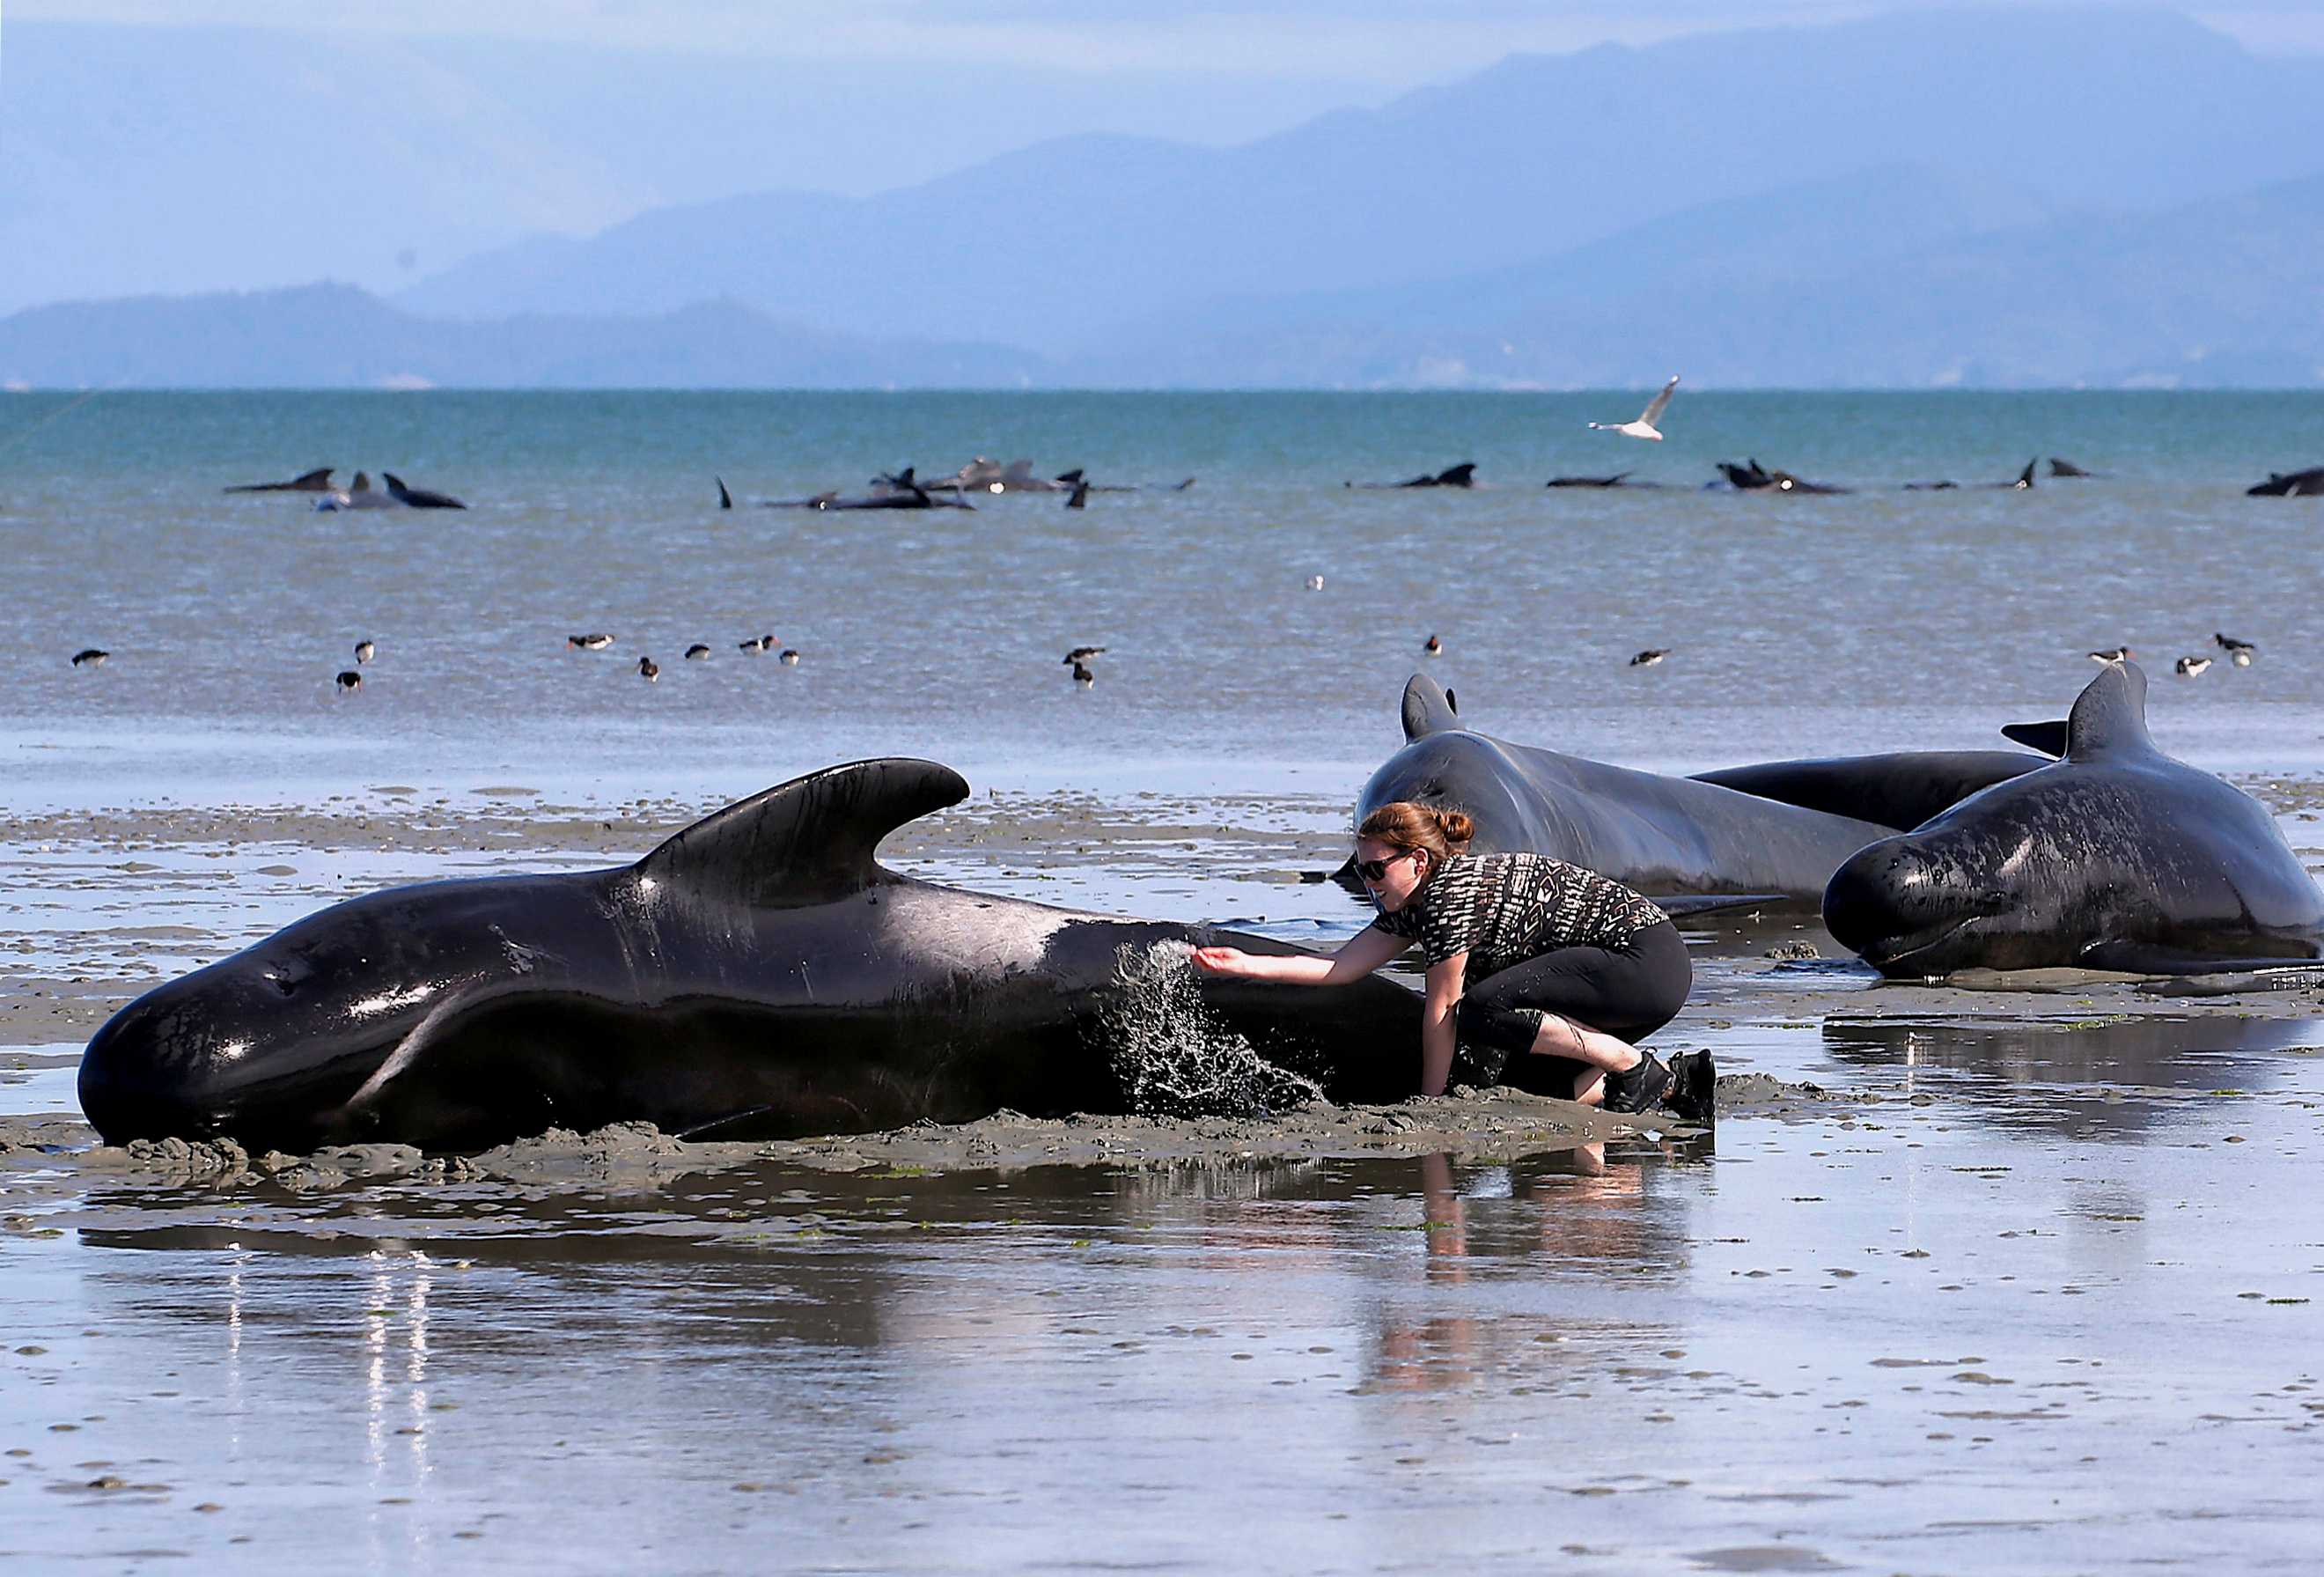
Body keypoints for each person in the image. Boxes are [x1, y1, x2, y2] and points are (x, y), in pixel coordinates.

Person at [1192, 800, 1712, 1121]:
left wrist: (1430, 1100)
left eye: (1376, 870)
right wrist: (1243, 963)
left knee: (1483, 1009)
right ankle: (1676, 1085)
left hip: (1644, 962)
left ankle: (1632, 1065)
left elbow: (1442, 1009)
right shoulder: (1411, 903)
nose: (1367, 883)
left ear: (1417, 861)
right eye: (1361, 870)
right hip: (1621, 978)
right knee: (1531, 1078)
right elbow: (1341, 967)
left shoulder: (1448, 896)